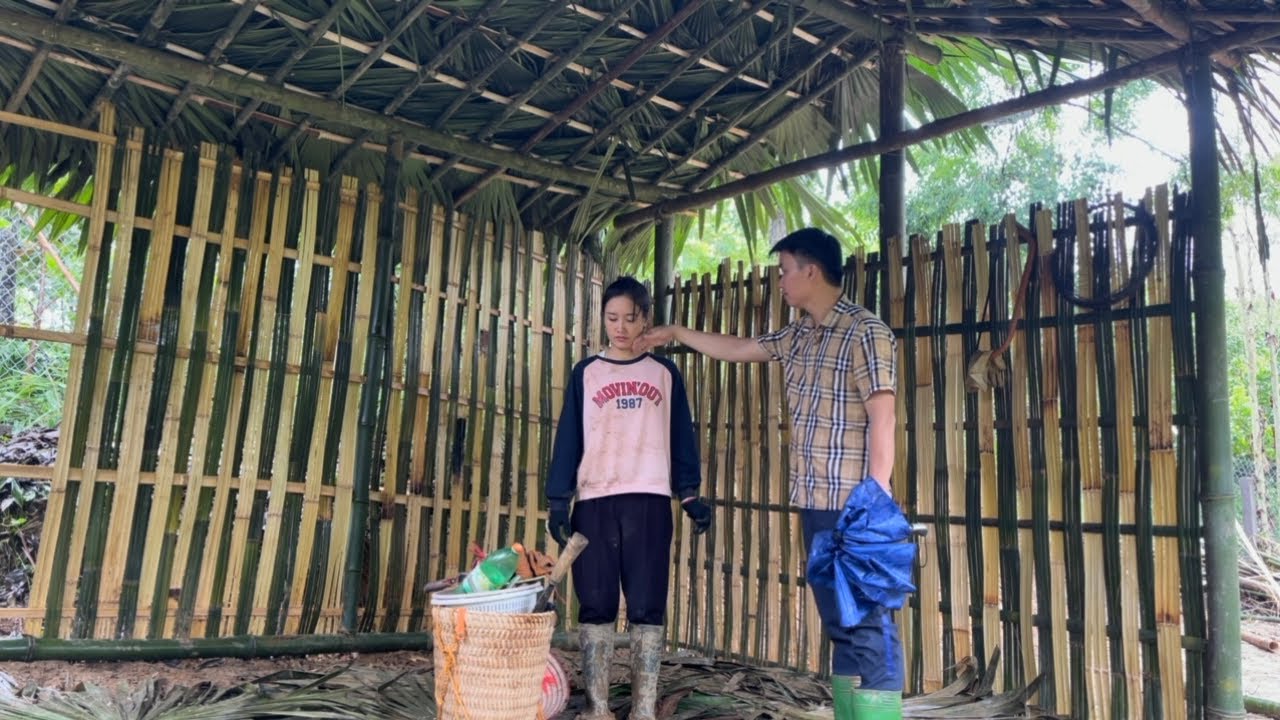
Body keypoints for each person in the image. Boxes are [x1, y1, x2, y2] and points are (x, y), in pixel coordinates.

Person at [635, 228, 903, 720]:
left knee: (869, 626)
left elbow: (883, 415)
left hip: (855, 505)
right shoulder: (798, 334)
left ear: (811, 271)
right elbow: (738, 349)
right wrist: (675, 333)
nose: (779, 282)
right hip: (816, 504)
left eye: (783, 272)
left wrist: (877, 497)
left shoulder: (867, 332)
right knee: (840, 623)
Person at [546, 276, 713, 720]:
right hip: (596, 501)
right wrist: (559, 500)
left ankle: (643, 710)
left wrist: (690, 495)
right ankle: (597, 708)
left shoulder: (664, 373)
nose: (620, 328)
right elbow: (569, 440)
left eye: (630, 318)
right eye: (612, 318)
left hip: (650, 501)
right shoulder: (586, 373)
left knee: (647, 603)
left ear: (647, 319)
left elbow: (681, 439)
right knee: (595, 603)